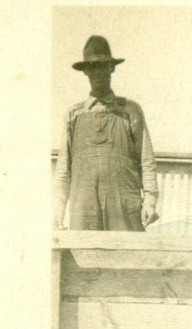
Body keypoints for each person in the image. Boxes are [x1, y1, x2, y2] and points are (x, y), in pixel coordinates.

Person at [54, 35, 159, 231]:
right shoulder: (73, 115)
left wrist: (150, 201)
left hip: (124, 209)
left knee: (127, 259)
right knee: (84, 260)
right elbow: (63, 170)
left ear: (112, 68)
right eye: (92, 67)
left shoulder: (130, 111)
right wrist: (57, 211)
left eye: (103, 66)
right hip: (85, 210)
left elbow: (147, 160)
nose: (98, 73)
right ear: (85, 71)